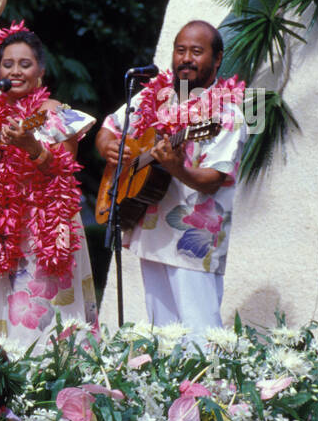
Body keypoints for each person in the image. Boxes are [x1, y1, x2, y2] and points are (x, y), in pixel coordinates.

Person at [95, 20, 247, 330]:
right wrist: (109, 147)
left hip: (194, 240)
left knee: (199, 332)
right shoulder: (154, 95)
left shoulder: (226, 114)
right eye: (181, 50)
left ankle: (207, 382)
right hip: (150, 231)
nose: (187, 58)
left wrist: (178, 168)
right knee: (162, 332)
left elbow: (213, 179)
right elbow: (108, 128)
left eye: (197, 51)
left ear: (217, 59)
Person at [0, 23, 97, 346]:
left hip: (47, 228)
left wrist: (31, 147)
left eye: (25, 64)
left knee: (43, 321)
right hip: (4, 231)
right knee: (5, 324)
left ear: (40, 69)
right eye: (8, 64)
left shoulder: (52, 112)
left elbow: (63, 169)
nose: (15, 71)